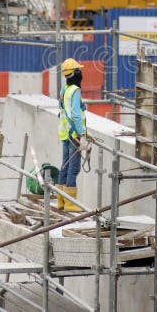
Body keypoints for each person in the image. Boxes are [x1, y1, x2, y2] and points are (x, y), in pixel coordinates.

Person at [57, 58, 87, 211]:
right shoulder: (75, 90)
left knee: (64, 166)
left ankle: (61, 201)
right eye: (79, 70)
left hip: (64, 134)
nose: (81, 73)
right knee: (73, 168)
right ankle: (70, 203)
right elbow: (75, 114)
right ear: (75, 73)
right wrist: (82, 132)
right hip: (73, 134)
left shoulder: (64, 91)